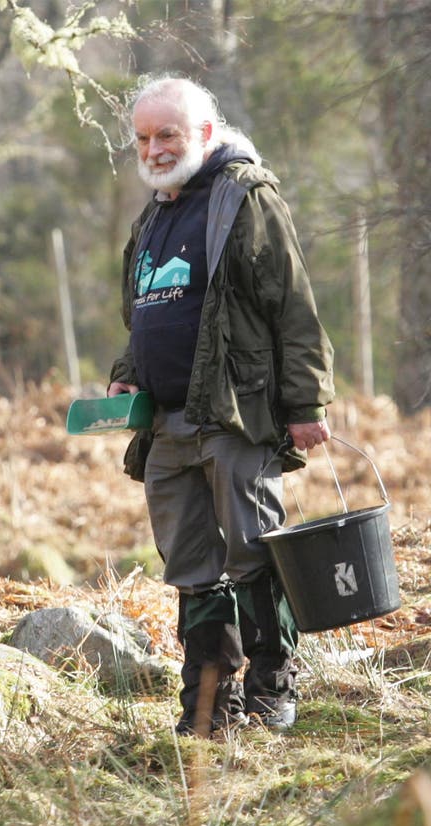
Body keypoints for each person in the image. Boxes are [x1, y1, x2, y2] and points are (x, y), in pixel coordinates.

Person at [107, 75, 335, 737]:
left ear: (205, 134)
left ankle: (271, 691)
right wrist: (127, 376)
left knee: (257, 552)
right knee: (192, 569)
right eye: (143, 137)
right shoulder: (153, 213)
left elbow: (292, 307)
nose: (152, 148)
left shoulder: (245, 198)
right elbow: (146, 316)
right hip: (167, 426)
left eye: (167, 135)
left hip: (236, 414)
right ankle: (207, 705)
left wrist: (307, 400)